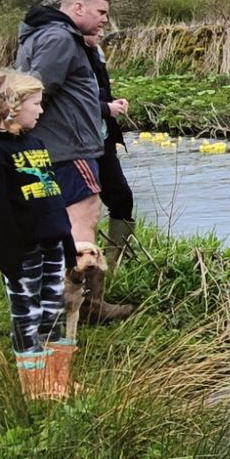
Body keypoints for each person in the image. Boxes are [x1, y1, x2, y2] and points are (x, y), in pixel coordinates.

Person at [15, 0, 132, 322]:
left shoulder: (41, 35)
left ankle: (61, 306)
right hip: (70, 148)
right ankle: (84, 308)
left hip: (54, 147)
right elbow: (36, 89)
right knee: (83, 228)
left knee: (59, 230)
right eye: (101, 13)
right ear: (78, 8)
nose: (105, 21)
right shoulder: (60, 38)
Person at [0, 69, 74, 399]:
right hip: (22, 250)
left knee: (55, 312)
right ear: (9, 106)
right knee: (28, 315)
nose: (41, 111)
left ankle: (59, 380)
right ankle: (36, 387)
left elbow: (52, 197)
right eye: (36, 104)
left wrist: (66, 241)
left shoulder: (35, 143)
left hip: (52, 242)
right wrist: (9, 257)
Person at [82, 26, 137, 276]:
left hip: (102, 139)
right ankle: (82, 271)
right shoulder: (69, 54)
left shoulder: (96, 54)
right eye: (98, 25)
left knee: (122, 198)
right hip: (79, 144)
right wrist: (105, 108)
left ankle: (113, 266)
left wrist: (112, 104)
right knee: (85, 210)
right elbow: (71, 101)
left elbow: (98, 93)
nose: (102, 30)